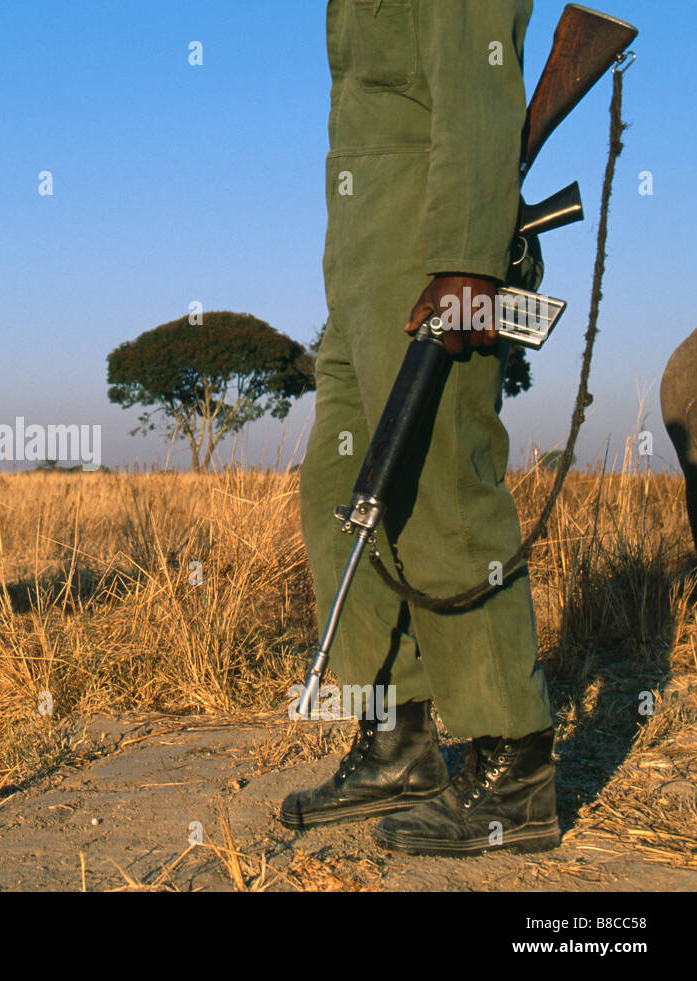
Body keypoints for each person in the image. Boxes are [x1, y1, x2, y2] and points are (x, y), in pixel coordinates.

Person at [285, 0, 559, 856]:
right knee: (339, 496)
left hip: (431, 242)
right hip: (361, 254)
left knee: (442, 488)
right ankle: (396, 738)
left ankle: (512, 768)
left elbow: (478, 86)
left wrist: (469, 262)